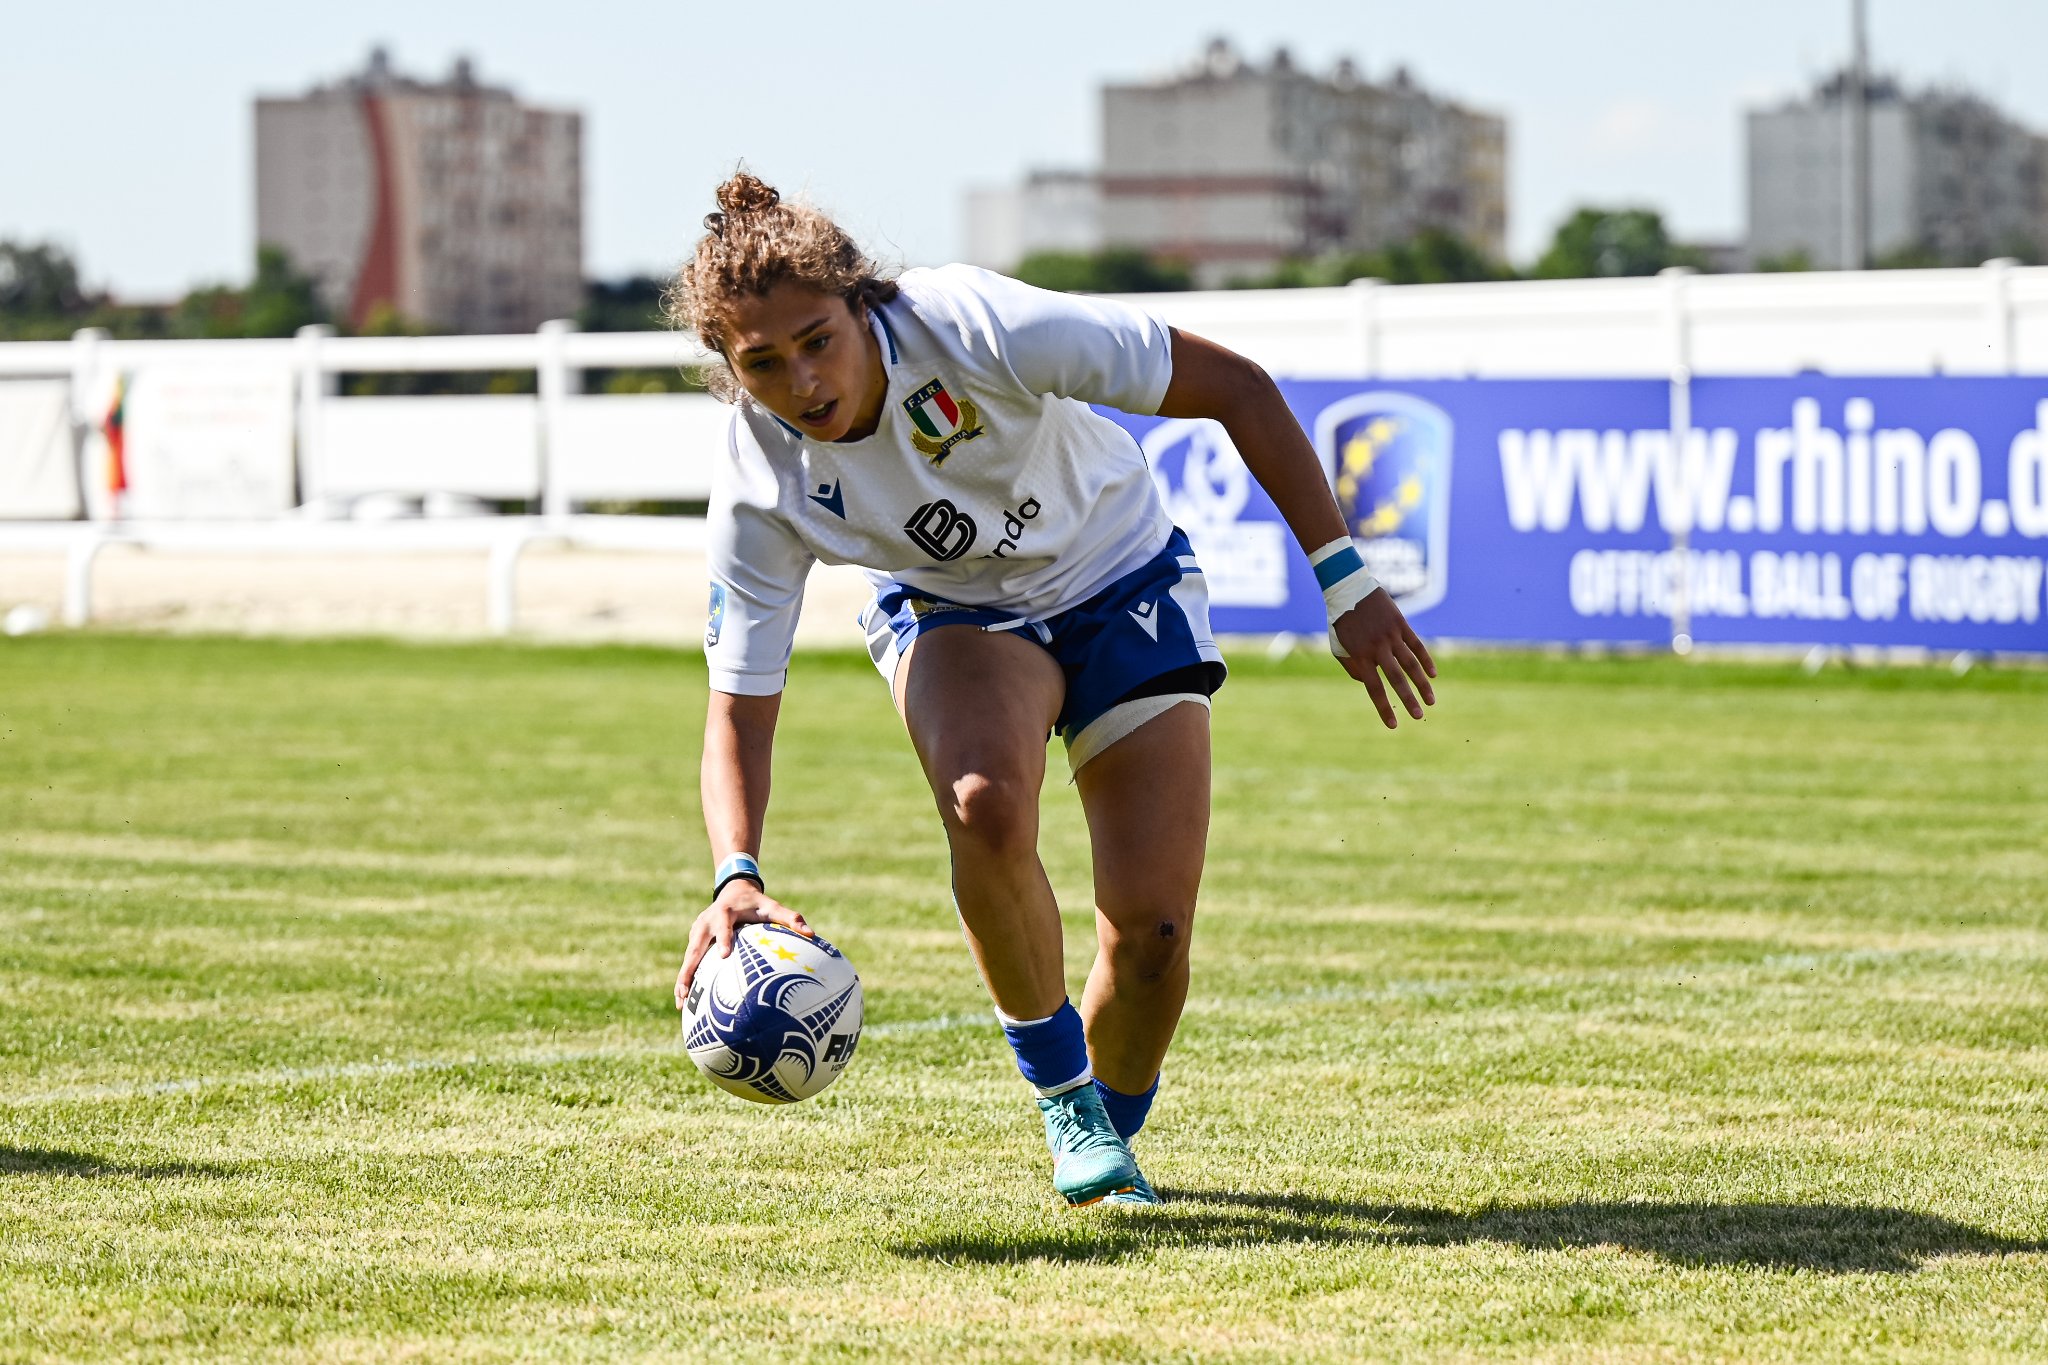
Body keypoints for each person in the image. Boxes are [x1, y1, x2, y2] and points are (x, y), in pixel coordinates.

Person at [671, 171, 1435, 1207]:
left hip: (1119, 572)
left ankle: (1111, 1133)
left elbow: (1238, 388)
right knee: (983, 807)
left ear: (864, 306)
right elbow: (738, 702)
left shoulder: (978, 324)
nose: (803, 381)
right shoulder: (758, 483)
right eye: (762, 362)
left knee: (1153, 929)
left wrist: (1345, 582)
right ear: (728, 368)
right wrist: (736, 874)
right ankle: (1065, 1104)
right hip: (956, 614)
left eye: (817, 340)